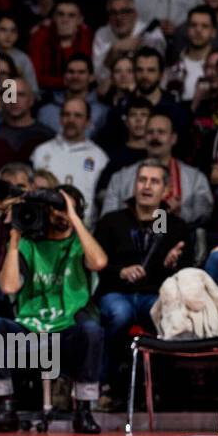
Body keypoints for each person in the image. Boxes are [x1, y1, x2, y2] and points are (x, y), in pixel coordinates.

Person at [0, 185, 108, 433]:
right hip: (31, 332)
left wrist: (74, 216)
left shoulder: (80, 245)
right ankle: (5, 409)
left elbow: (99, 262)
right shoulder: (30, 243)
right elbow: (8, 286)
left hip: (67, 335)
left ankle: (84, 410)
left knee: (91, 330)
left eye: (65, 210)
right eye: (55, 210)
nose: (60, 215)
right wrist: (14, 242)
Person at [93, 161, 190, 394]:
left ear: (165, 190)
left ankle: (159, 389)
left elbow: (184, 270)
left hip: (152, 293)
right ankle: (106, 385)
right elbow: (95, 263)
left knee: (165, 316)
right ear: (134, 184)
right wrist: (121, 271)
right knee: (120, 314)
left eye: (154, 181)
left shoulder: (169, 223)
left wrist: (171, 265)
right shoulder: (113, 220)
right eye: (142, 180)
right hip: (116, 291)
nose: (146, 186)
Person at [102, 114, 213, 226]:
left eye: (161, 132)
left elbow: (204, 215)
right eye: (150, 132)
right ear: (144, 138)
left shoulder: (195, 178)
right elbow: (108, 218)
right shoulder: (121, 178)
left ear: (173, 139)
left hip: (181, 239)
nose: (155, 137)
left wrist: (180, 212)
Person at [31, 96, 108, 225]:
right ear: (60, 119)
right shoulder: (41, 152)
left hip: (83, 230)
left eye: (78, 115)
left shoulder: (100, 157)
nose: (71, 120)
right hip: (44, 227)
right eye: (67, 114)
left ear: (88, 121)